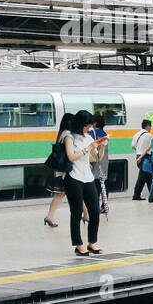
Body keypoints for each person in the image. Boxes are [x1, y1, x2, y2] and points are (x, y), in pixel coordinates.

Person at [62, 109, 105, 257]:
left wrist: (101, 145)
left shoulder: (88, 137)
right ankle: (79, 245)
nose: (90, 129)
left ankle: (92, 242)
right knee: (76, 212)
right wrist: (88, 148)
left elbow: (97, 157)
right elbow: (71, 156)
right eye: (88, 126)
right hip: (74, 178)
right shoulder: (69, 137)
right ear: (81, 124)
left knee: (94, 211)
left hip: (88, 177)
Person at [44, 111, 76, 228]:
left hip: (60, 169)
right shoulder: (68, 135)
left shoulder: (61, 133)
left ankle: (49, 217)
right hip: (65, 171)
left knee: (60, 194)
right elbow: (70, 153)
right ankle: (86, 215)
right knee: (75, 193)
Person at [89, 114, 110, 215]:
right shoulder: (105, 133)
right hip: (104, 163)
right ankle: (104, 206)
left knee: (96, 186)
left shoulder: (93, 133)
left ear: (95, 123)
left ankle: (95, 207)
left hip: (95, 163)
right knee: (103, 185)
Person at [131, 118, 153, 200]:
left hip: (138, 156)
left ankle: (152, 193)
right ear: (147, 126)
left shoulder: (136, 134)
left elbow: (133, 146)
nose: (151, 128)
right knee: (142, 177)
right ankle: (136, 195)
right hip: (145, 157)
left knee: (148, 176)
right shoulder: (149, 135)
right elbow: (152, 147)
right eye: (150, 126)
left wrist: (139, 148)